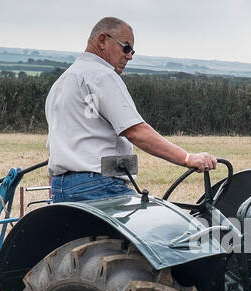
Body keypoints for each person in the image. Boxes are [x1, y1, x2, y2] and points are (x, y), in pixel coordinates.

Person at [45, 17, 217, 202]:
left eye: (131, 51)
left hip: (61, 187)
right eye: (126, 48)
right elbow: (135, 131)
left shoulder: (61, 82)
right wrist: (187, 158)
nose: (129, 56)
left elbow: (56, 148)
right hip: (99, 185)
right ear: (103, 40)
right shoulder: (101, 75)